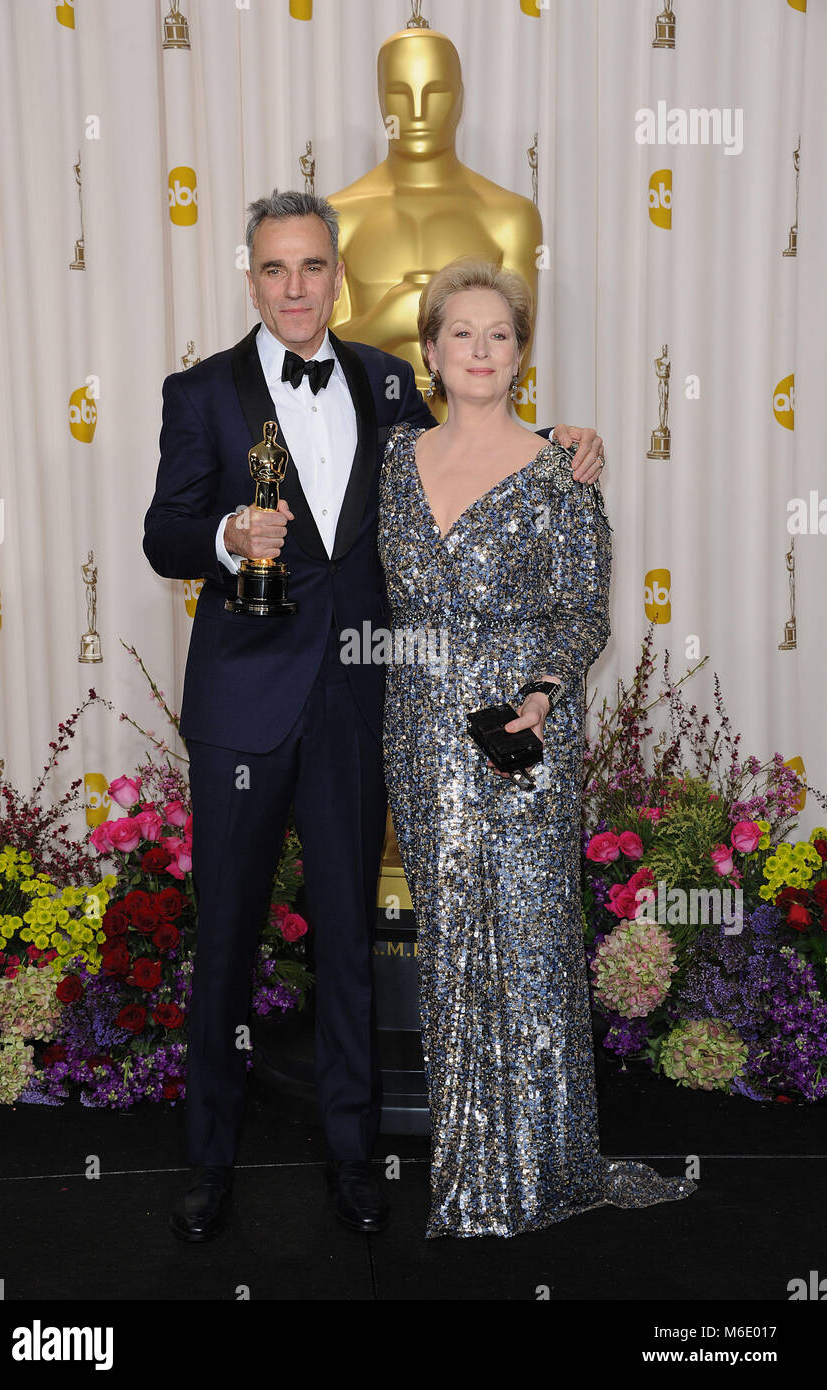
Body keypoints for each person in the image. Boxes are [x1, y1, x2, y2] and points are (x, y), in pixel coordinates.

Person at [143, 190, 606, 1242]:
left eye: (312, 266)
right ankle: (208, 1161)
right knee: (226, 939)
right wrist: (224, 534)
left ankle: (353, 1158)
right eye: (275, 269)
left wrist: (572, 437)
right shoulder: (199, 393)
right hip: (242, 708)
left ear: (337, 274)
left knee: (349, 937)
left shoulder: (390, 381)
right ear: (249, 275)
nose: (296, 287)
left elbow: (473, 455)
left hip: (364, 704)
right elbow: (163, 532)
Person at [378, 257, 697, 1237]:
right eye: (460, 333)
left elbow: (582, 611)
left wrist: (543, 692)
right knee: (459, 956)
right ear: (430, 351)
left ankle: (546, 1169)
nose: (479, 349)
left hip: (522, 742)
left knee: (531, 952)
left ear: (520, 354)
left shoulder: (562, 468)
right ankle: (473, 1171)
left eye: (498, 334)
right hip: (422, 743)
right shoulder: (389, 461)